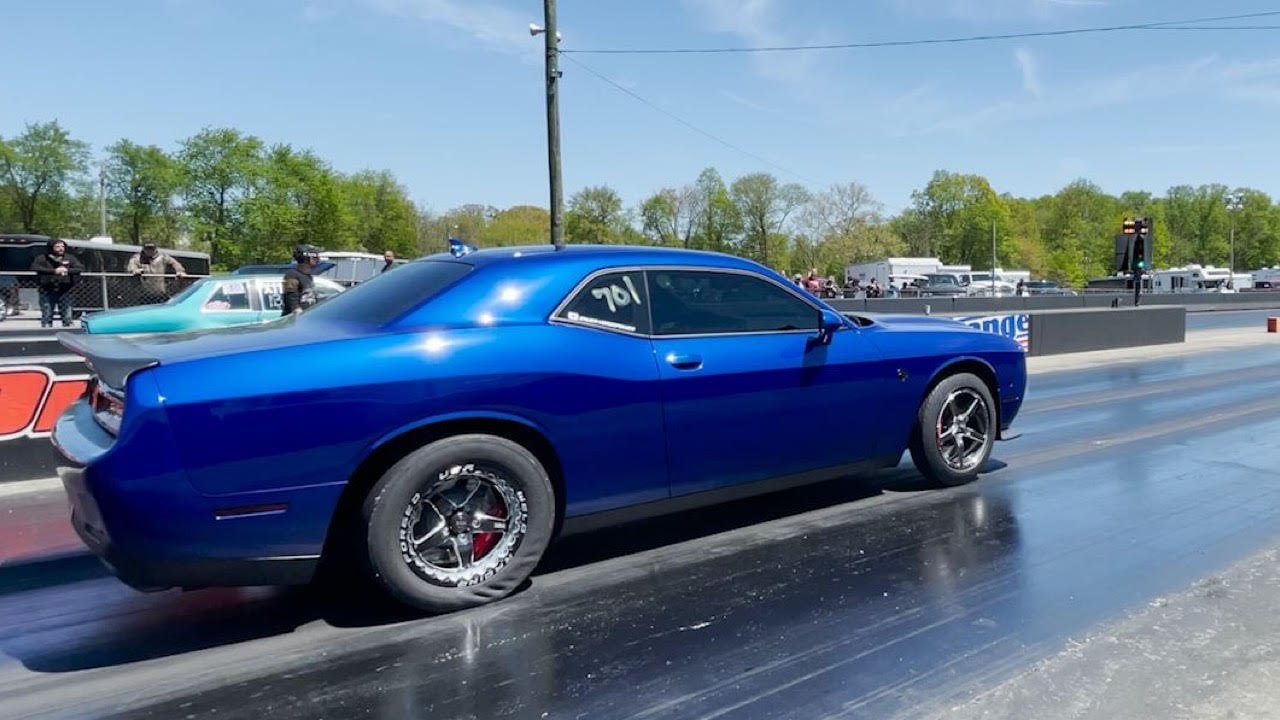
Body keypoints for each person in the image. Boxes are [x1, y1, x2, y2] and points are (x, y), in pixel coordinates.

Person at [31, 238, 83, 327]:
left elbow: (80, 268)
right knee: (47, 314)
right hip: (47, 289)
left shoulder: (69, 257)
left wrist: (67, 270)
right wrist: (54, 271)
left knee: (67, 315)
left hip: (66, 290)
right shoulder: (42, 258)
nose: (61, 248)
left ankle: (68, 331)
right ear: (52, 247)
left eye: (62, 246)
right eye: (58, 246)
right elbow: (35, 267)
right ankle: (46, 332)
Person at [282, 244, 321, 316]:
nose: (318, 259)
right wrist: (297, 311)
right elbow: (291, 297)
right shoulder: (292, 275)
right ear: (305, 258)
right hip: (296, 320)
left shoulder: (308, 276)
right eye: (314, 257)